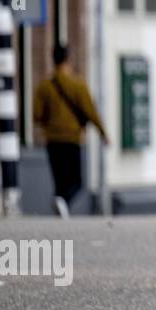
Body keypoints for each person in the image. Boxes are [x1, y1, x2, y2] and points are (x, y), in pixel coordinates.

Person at [33, 43, 108, 217]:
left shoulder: (44, 87)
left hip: (52, 139)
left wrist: (49, 124)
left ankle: (60, 204)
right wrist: (103, 133)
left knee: (59, 179)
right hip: (72, 138)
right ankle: (63, 201)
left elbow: (36, 114)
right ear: (68, 59)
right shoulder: (78, 85)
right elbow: (91, 111)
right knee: (76, 181)